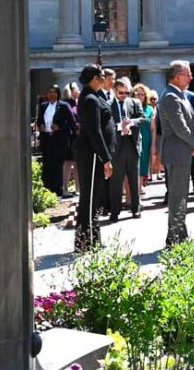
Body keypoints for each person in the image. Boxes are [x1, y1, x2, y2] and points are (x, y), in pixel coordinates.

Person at [158, 60, 194, 247]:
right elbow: (180, 128)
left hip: (181, 152)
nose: (191, 77)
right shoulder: (170, 97)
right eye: (187, 74)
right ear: (176, 77)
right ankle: (175, 238)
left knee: (182, 195)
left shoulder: (180, 95)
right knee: (177, 196)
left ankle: (179, 235)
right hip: (176, 152)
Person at [72, 64, 114, 252]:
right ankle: (84, 242)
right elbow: (94, 131)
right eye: (103, 76)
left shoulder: (95, 96)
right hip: (92, 153)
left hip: (95, 152)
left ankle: (93, 239)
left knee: (95, 198)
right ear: (95, 78)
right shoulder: (89, 98)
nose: (105, 79)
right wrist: (105, 157)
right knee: (89, 199)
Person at [108, 77, 145, 220]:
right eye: (121, 93)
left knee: (134, 179)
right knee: (116, 181)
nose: (124, 95)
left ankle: (136, 209)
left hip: (132, 144)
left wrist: (132, 122)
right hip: (116, 146)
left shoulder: (134, 103)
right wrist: (119, 126)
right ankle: (115, 211)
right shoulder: (108, 104)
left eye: (127, 92)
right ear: (114, 91)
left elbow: (143, 118)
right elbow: (106, 123)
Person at [34, 84, 74, 197]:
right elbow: (39, 119)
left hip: (59, 139)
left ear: (58, 94)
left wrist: (60, 127)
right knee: (47, 164)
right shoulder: (42, 106)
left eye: (54, 92)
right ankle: (47, 188)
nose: (52, 94)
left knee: (58, 164)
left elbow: (71, 122)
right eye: (49, 92)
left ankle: (59, 189)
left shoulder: (64, 106)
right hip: (46, 139)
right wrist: (40, 125)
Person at [135, 84, 155, 190]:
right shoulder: (130, 106)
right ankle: (135, 187)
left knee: (144, 162)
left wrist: (153, 144)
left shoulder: (149, 109)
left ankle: (140, 184)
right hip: (133, 140)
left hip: (146, 140)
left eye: (142, 94)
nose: (140, 96)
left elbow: (153, 128)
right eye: (138, 94)